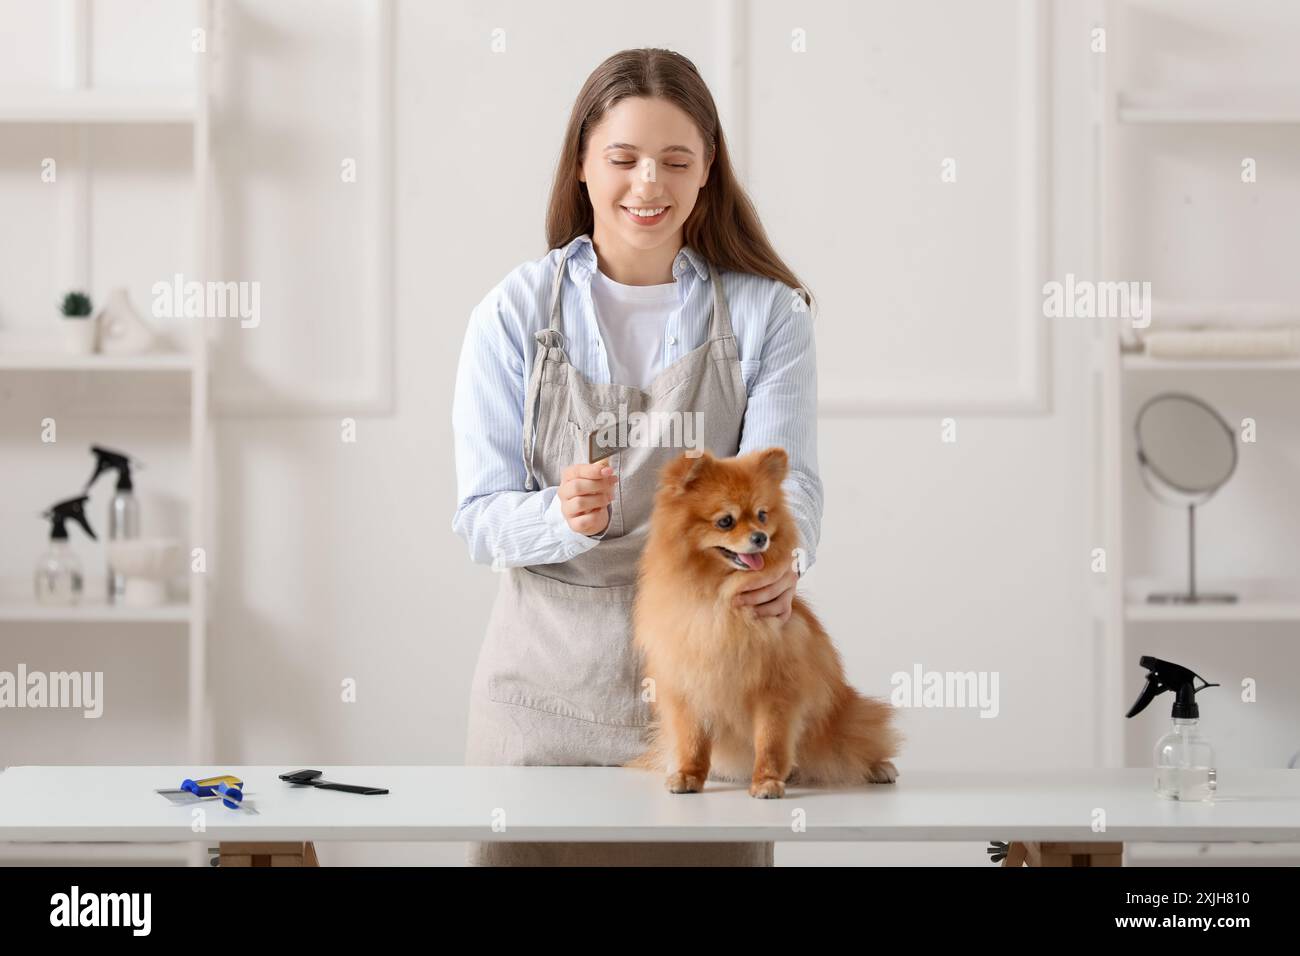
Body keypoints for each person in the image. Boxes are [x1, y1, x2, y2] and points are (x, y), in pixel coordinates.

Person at [451, 47, 822, 866]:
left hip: (711, 718)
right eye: (622, 159)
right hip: (538, 712)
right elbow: (479, 519)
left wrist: (784, 573)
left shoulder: (769, 317)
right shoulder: (511, 314)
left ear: (707, 171)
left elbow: (796, 493)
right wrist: (557, 515)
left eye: (675, 161)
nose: (648, 183)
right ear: (582, 164)